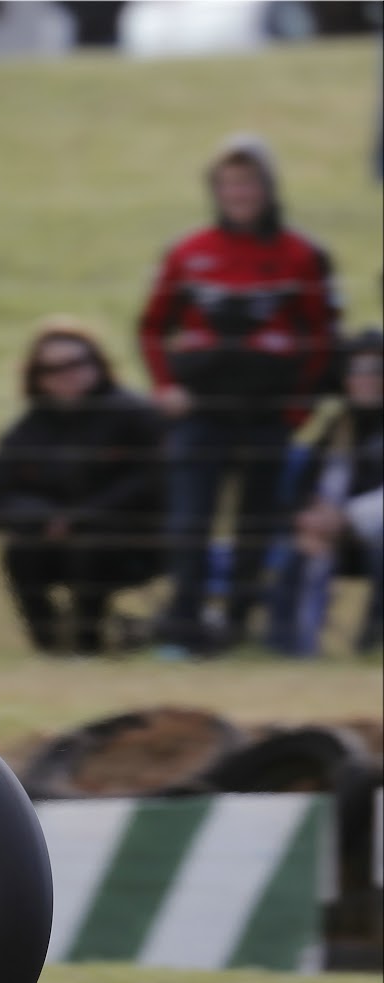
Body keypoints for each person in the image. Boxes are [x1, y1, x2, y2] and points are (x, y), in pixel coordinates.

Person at [138, 132, 341, 655]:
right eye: (229, 183)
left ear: (267, 187)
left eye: (248, 182)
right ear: (216, 189)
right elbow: (152, 326)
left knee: (256, 526)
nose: (239, 193)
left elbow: (323, 337)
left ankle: (238, 628)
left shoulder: (301, 255)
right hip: (201, 414)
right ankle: (183, 632)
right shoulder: (189, 252)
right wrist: (166, 387)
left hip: (268, 414)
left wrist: (299, 407)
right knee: (189, 525)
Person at [0, 319, 167, 655]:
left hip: (131, 541)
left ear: (98, 364)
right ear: (36, 376)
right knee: (20, 553)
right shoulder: (30, 427)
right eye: (51, 368)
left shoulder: (135, 415)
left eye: (77, 363)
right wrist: (43, 518)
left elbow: (153, 482)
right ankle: (50, 647)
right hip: (48, 539)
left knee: (90, 547)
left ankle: (86, 645)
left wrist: (81, 517)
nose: (66, 374)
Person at [266, 327, 383, 656]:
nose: (367, 380)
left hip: (372, 535)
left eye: (377, 371)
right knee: (294, 551)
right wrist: (306, 519)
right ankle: (286, 649)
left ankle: (372, 647)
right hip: (331, 535)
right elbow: (304, 485)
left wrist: (345, 519)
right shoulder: (338, 427)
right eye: (358, 372)